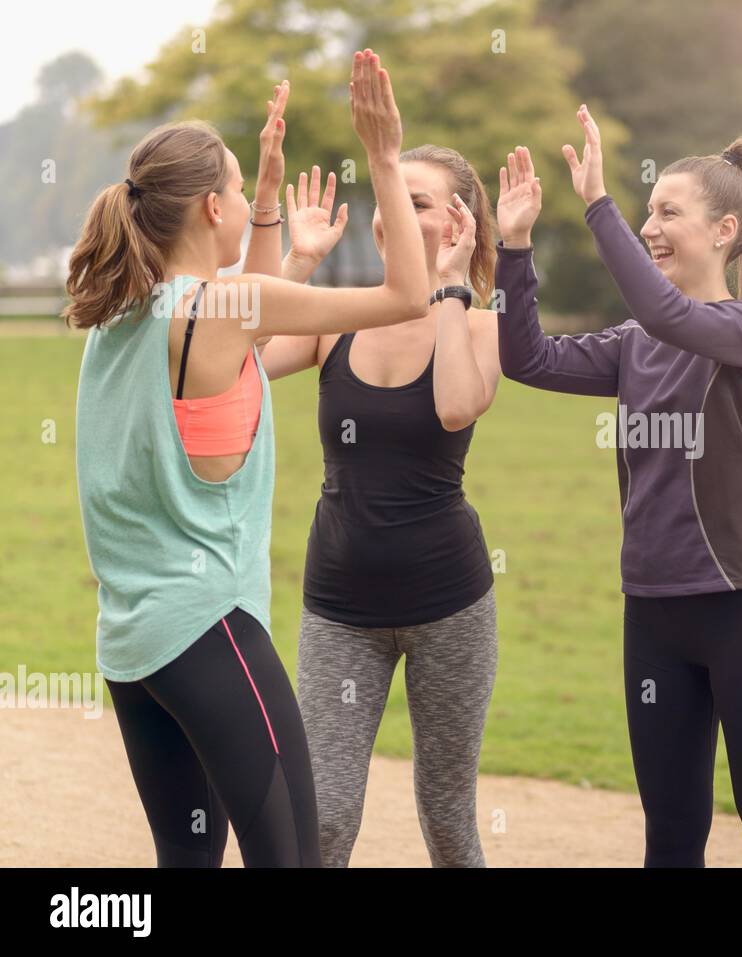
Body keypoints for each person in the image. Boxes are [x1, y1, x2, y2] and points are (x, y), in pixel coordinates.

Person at [70, 50, 439, 866]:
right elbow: (407, 296)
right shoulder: (217, 309)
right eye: (235, 188)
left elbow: (242, 333)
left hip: (136, 646)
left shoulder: (121, 316)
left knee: (187, 860)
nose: (244, 197)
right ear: (209, 207)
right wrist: (383, 155)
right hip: (211, 628)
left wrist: (267, 202)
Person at [492, 107, 742, 867]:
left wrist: (598, 202)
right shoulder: (635, 345)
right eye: (646, 214)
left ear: (725, 231)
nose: (650, 227)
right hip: (655, 615)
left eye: (668, 212)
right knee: (670, 842)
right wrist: (514, 247)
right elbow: (527, 359)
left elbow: (663, 308)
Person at [256, 144, 500, 867]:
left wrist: (452, 287)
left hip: (450, 603)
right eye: (388, 193)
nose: (391, 209)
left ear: (459, 222)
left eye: (416, 198)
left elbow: (456, 405)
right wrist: (297, 262)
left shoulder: (483, 327)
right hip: (338, 605)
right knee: (323, 818)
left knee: (449, 820)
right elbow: (237, 359)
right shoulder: (337, 316)